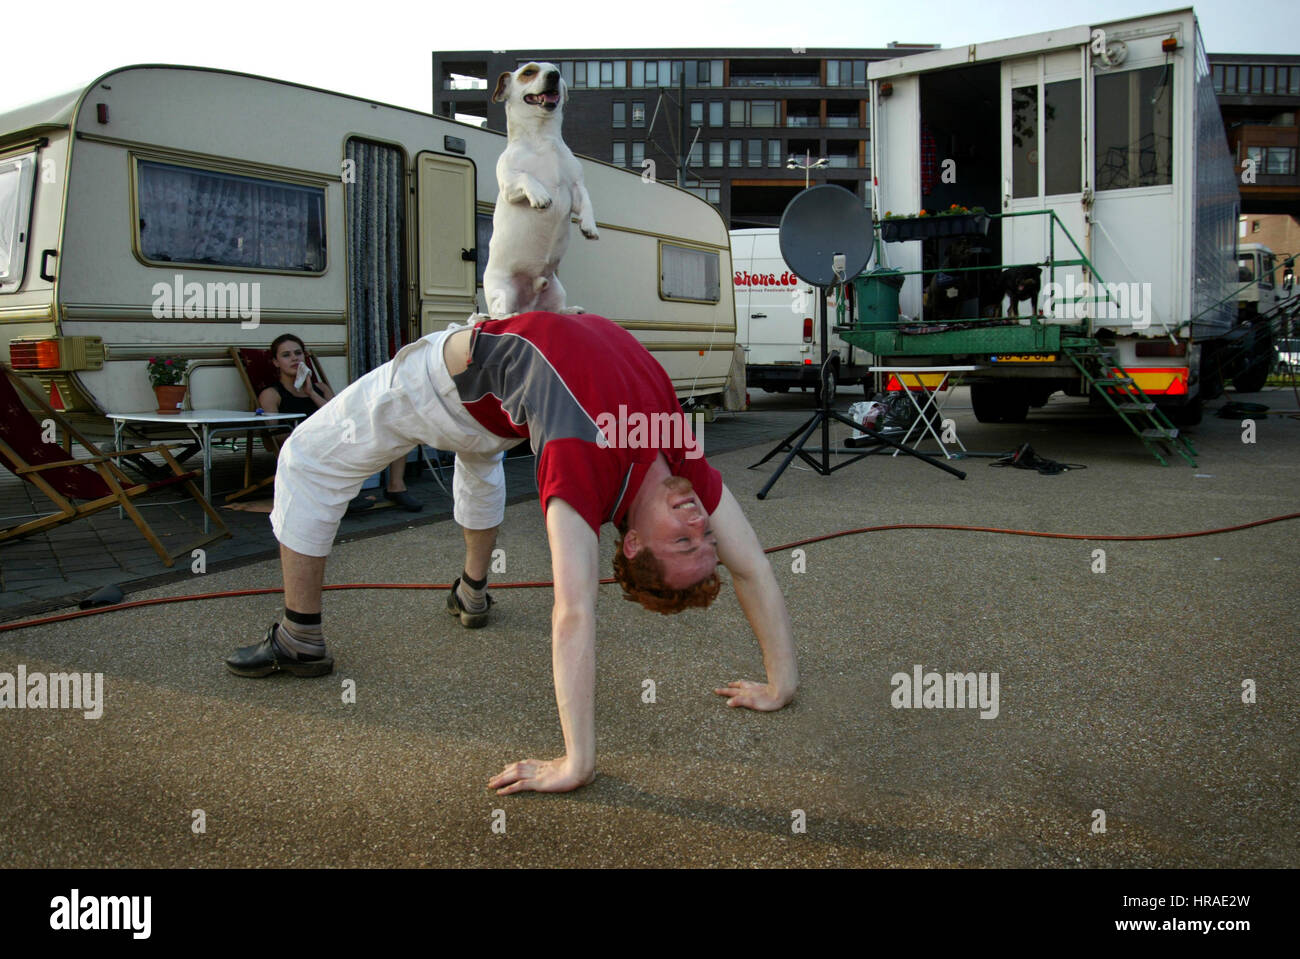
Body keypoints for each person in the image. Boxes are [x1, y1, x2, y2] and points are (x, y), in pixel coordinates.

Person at [225, 312, 798, 794]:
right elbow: (753, 567)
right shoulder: (678, 462)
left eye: (683, 541)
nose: (699, 523)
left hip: (444, 388)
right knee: (482, 458)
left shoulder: (580, 464)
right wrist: (781, 684)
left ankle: (299, 638)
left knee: (305, 457)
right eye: (706, 540)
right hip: (499, 412)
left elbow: (573, 613)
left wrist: (578, 762)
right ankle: (473, 591)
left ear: (632, 542)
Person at [259, 333, 422, 512]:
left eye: (298, 353)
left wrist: (311, 393)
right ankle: (343, 496)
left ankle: (396, 487)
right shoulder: (271, 394)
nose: (294, 358)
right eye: (286, 355)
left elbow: (342, 416)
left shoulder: (319, 388)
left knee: (395, 429)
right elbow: (273, 435)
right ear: (275, 362)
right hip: (305, 446)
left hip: (338, 436)